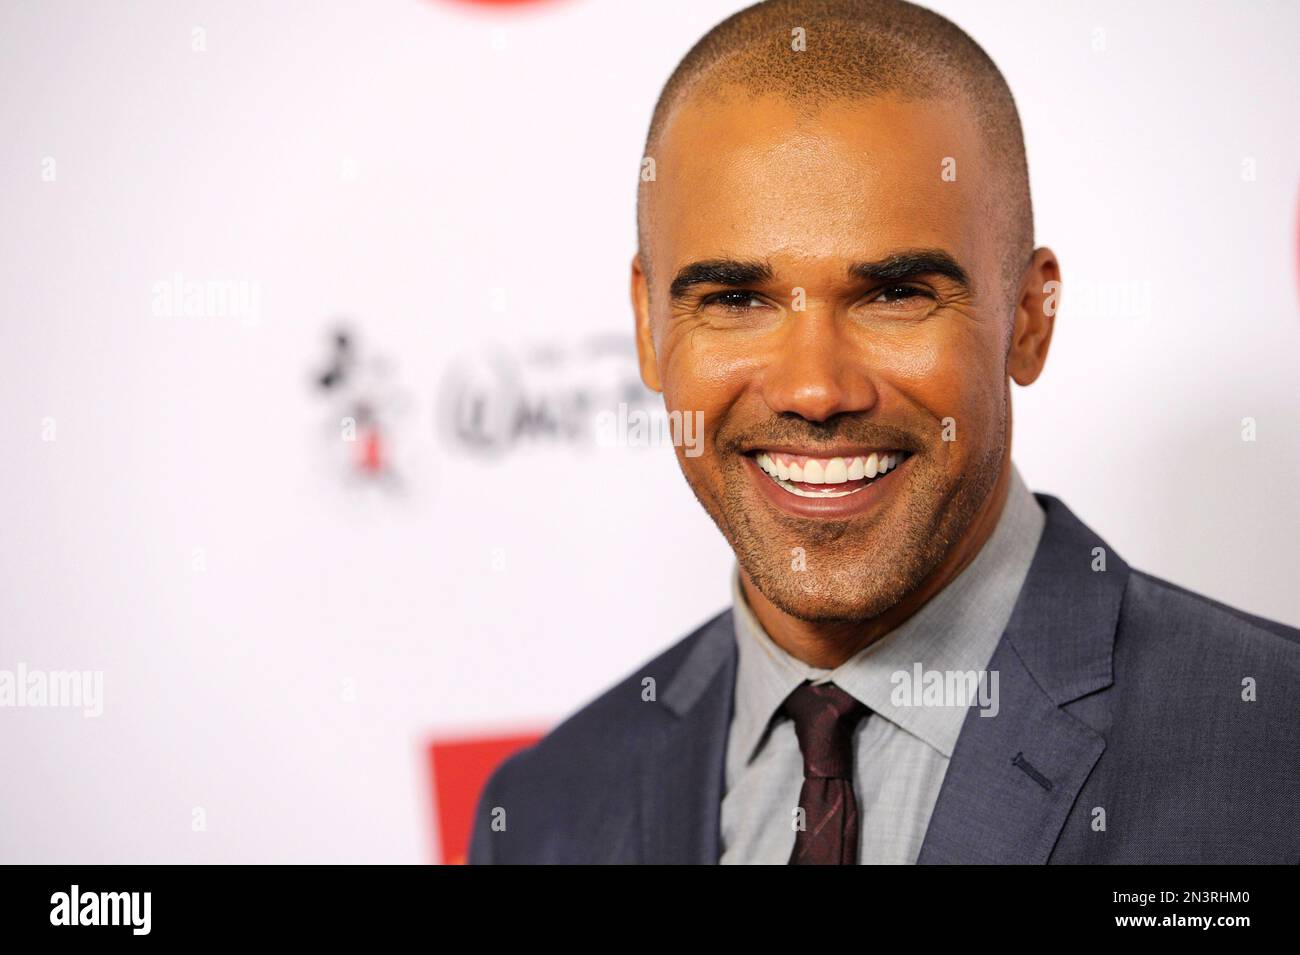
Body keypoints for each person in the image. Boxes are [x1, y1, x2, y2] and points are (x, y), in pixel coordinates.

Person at [468, 0, 1300, 864]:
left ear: (1028, 317)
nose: (815, 389)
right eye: (737, 300)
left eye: (895, 294)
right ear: (648, 326)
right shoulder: (545, 815)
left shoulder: (1273, 751)